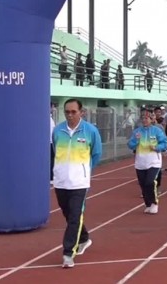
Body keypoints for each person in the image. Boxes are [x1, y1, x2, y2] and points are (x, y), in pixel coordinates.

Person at [51, 98, 103, 268]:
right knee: (69, 215)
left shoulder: (90, 131)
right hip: (60, 182)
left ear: (81, 112)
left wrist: (84, 171)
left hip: (79, 183)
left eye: (73, 112)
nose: (70, 115)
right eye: (67, 112)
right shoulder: (58, 131)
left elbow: (96, 153)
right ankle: (84, 238)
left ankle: (68, 253)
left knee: (74, 217)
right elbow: (55, 151)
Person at [127, 109, 167, 214]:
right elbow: (130, 145)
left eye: (147, 118)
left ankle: (154, 203)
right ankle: (148, 204)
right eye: (143, 118)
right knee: (143, 184)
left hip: (154, 162)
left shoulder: (157, 131)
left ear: (151, 119)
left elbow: (164, 143)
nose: (144, 120)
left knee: (150, 182)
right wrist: (136, 141)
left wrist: (156, 147)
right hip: (140, 162)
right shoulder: (137, 131)